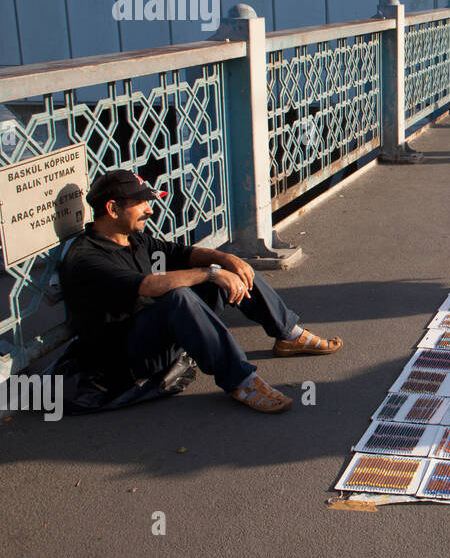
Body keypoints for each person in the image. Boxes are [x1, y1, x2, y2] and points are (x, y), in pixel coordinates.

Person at [58, 171, 343, 414]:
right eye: (141, 203)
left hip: (153, 333)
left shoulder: (133, 239)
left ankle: (288, 334)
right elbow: (148, 286)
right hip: (123, 358)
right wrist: (213, 273)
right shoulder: (87, 258)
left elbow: (181, 254)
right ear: (113, 209)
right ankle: (241, 382)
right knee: (180, 297)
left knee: (231, 269)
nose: (150, 210)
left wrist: (227, 260)